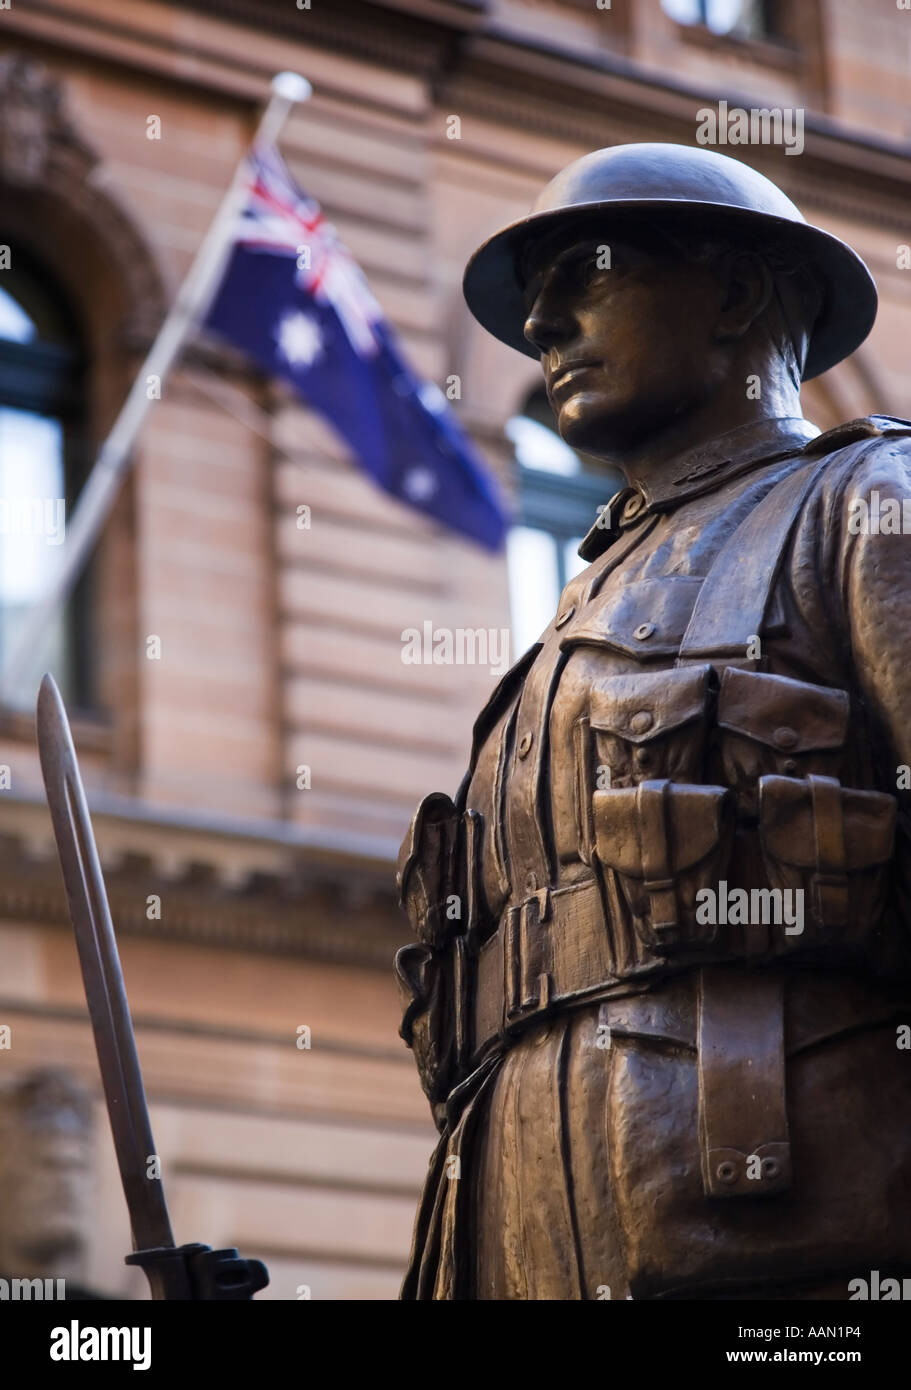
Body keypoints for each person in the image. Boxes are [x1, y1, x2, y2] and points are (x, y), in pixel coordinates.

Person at [395, 143, 911, 1300]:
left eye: (586, 271)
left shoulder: (864, 507)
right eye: (540, 293)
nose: (539, 319)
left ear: (732, 291)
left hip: (787, 1265)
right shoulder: (559, 637)